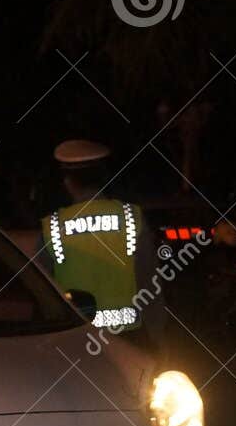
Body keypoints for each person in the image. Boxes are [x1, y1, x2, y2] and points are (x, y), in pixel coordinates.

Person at [40, 140, 156, 338]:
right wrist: (158, 337)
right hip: (127, 336)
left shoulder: (53, 225)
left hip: (77, 334)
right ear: (104, 178)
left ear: (68, 182)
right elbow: (149, 279)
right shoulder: (130, 216)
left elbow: (42, 287)